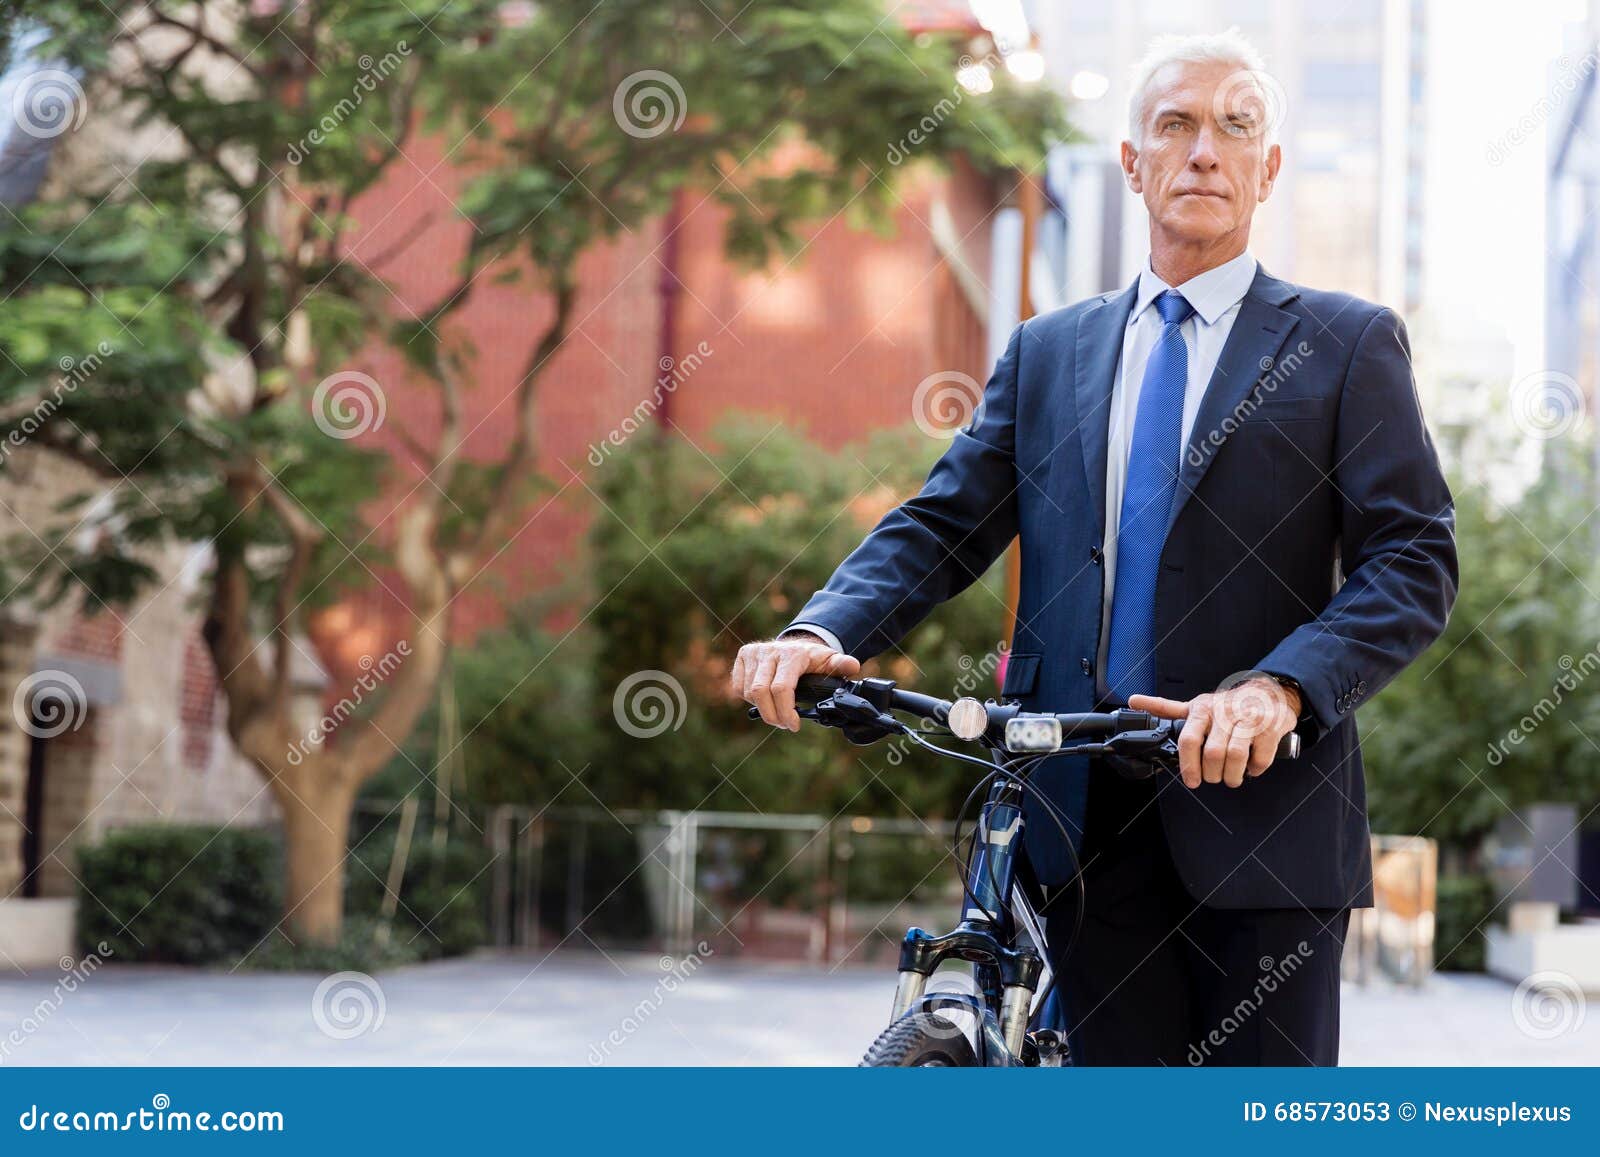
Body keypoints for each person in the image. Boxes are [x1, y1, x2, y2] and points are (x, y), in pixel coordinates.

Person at [730, 29, 1457, 1066]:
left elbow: (1413, 559)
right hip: (1077, 820)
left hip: (1264, 829)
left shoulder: (1345, 342)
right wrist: (821, 627)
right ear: (1132, 163)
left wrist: (1277, 690)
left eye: (1234, 128)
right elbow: (942, 521)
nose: (1203, 150)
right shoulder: (1046, 349)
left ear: (1267, 169)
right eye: (1175, 125)